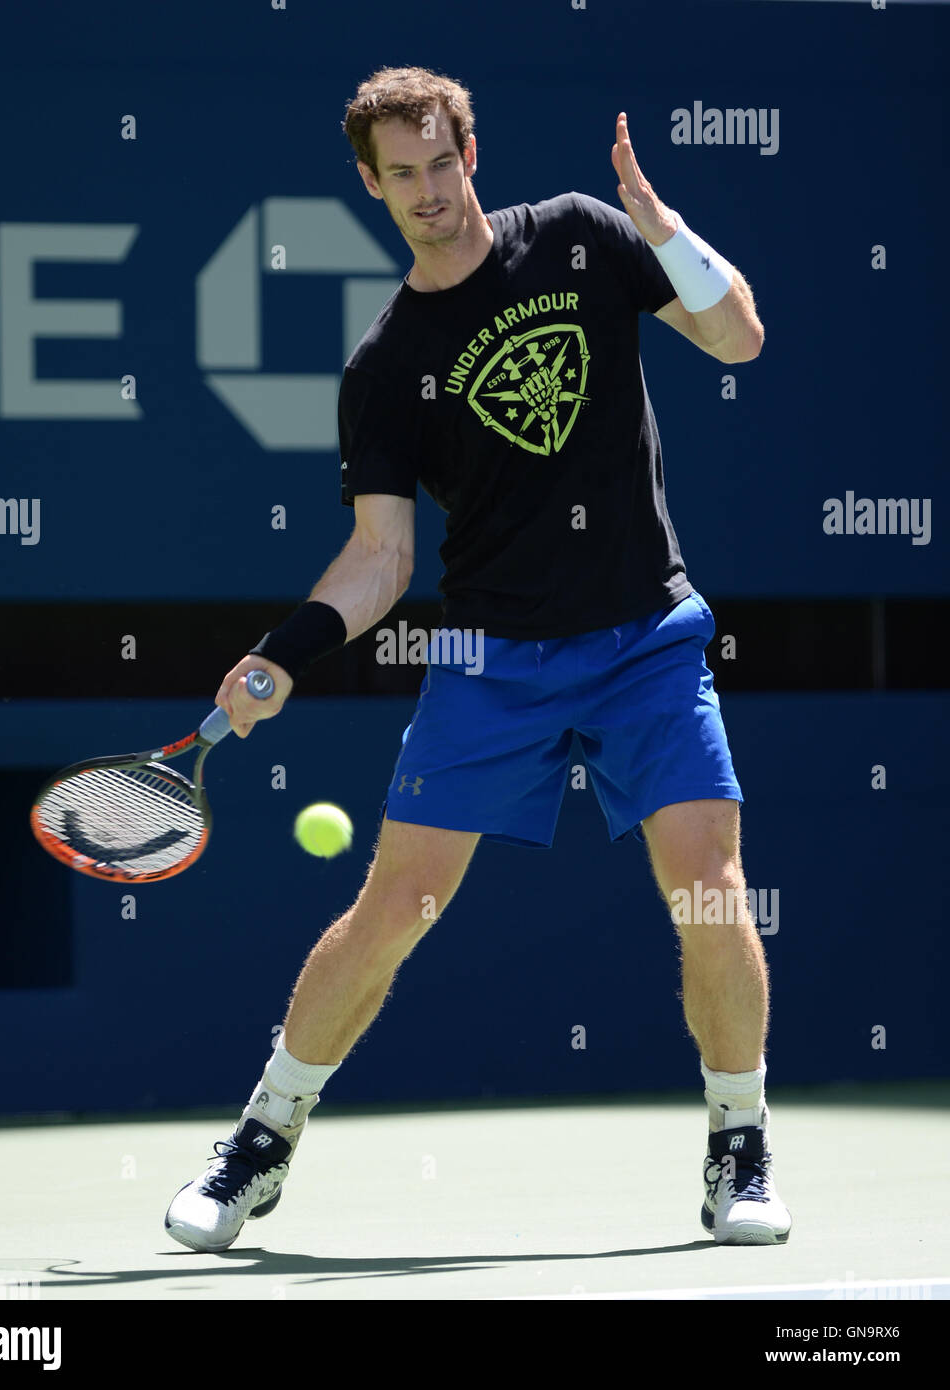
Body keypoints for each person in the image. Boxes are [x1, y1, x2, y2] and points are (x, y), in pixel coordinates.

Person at [165, 66, 791, 1253]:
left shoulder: (580, 236)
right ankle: (261, 1138)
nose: (426, 192)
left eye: (439, 162)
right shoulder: (383, 365)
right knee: (396, 900)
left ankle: (736, 1140)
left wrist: (664, 232)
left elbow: (739, 339)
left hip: (645, 635)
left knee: (707, 872)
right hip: (491, 656)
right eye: (398, 175)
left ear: (469, 151)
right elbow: (381, 554)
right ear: (369, 184)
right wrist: (284, 651)